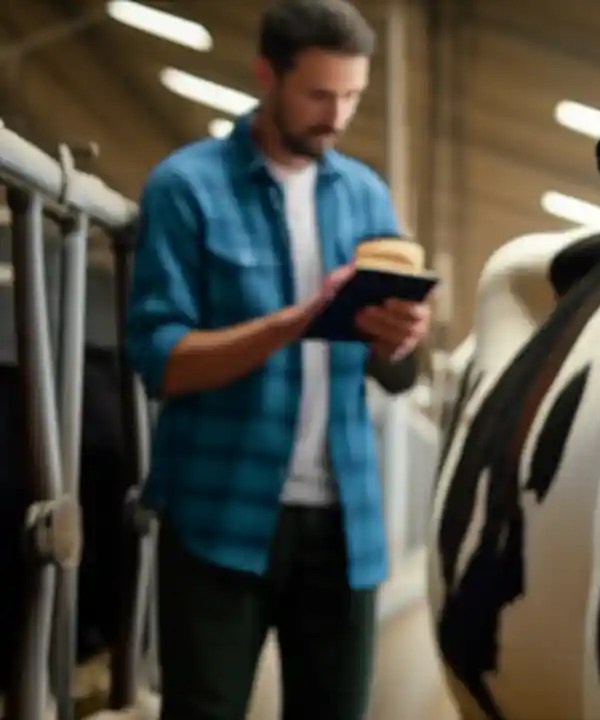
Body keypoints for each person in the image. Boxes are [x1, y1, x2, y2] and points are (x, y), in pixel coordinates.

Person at [123, 1, 430, 717]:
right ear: (267, 75)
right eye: (319, 94)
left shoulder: (364, 195)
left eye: (352, 95)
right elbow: (162, 360)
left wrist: (403, 337)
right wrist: (297, 322)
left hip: (343, 521)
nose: (338, 115)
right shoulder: (186, 186)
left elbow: (398, 376)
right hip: (217, 511)